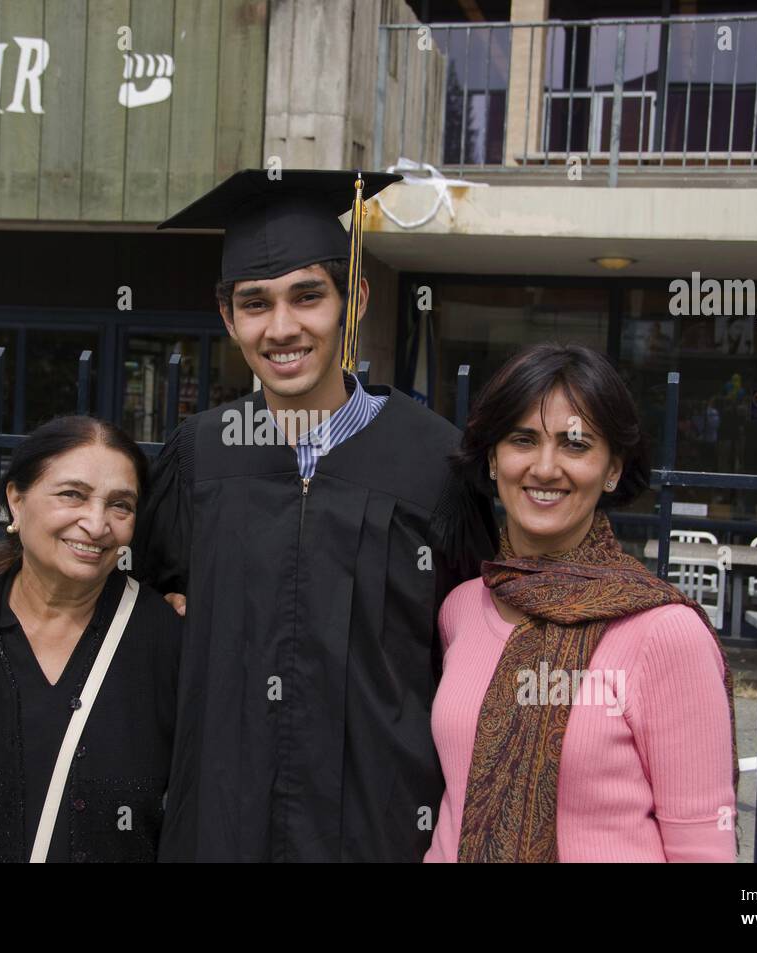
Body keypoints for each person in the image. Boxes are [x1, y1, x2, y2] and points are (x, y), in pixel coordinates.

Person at [138, 169, 495, 862]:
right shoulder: (201, 455)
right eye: (255, 303)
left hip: (381, 831)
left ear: (353, 299)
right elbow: (149, 607)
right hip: (219, 830)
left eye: (308, 296)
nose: (282, 328)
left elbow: (477, 644)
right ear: (226, 316)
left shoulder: (435, 462)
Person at [427, 343, 737, 862]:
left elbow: (702, 848)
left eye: (575, 445)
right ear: (493, 459)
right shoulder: (461, 608)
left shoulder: (663, 633)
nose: (545, 468)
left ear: (612, 469)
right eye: (522, 440)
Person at [0, 417, 182, 863]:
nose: (96, 523)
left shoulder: (165, 640)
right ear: (17, 499)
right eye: (72, 494)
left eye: (120, 505)